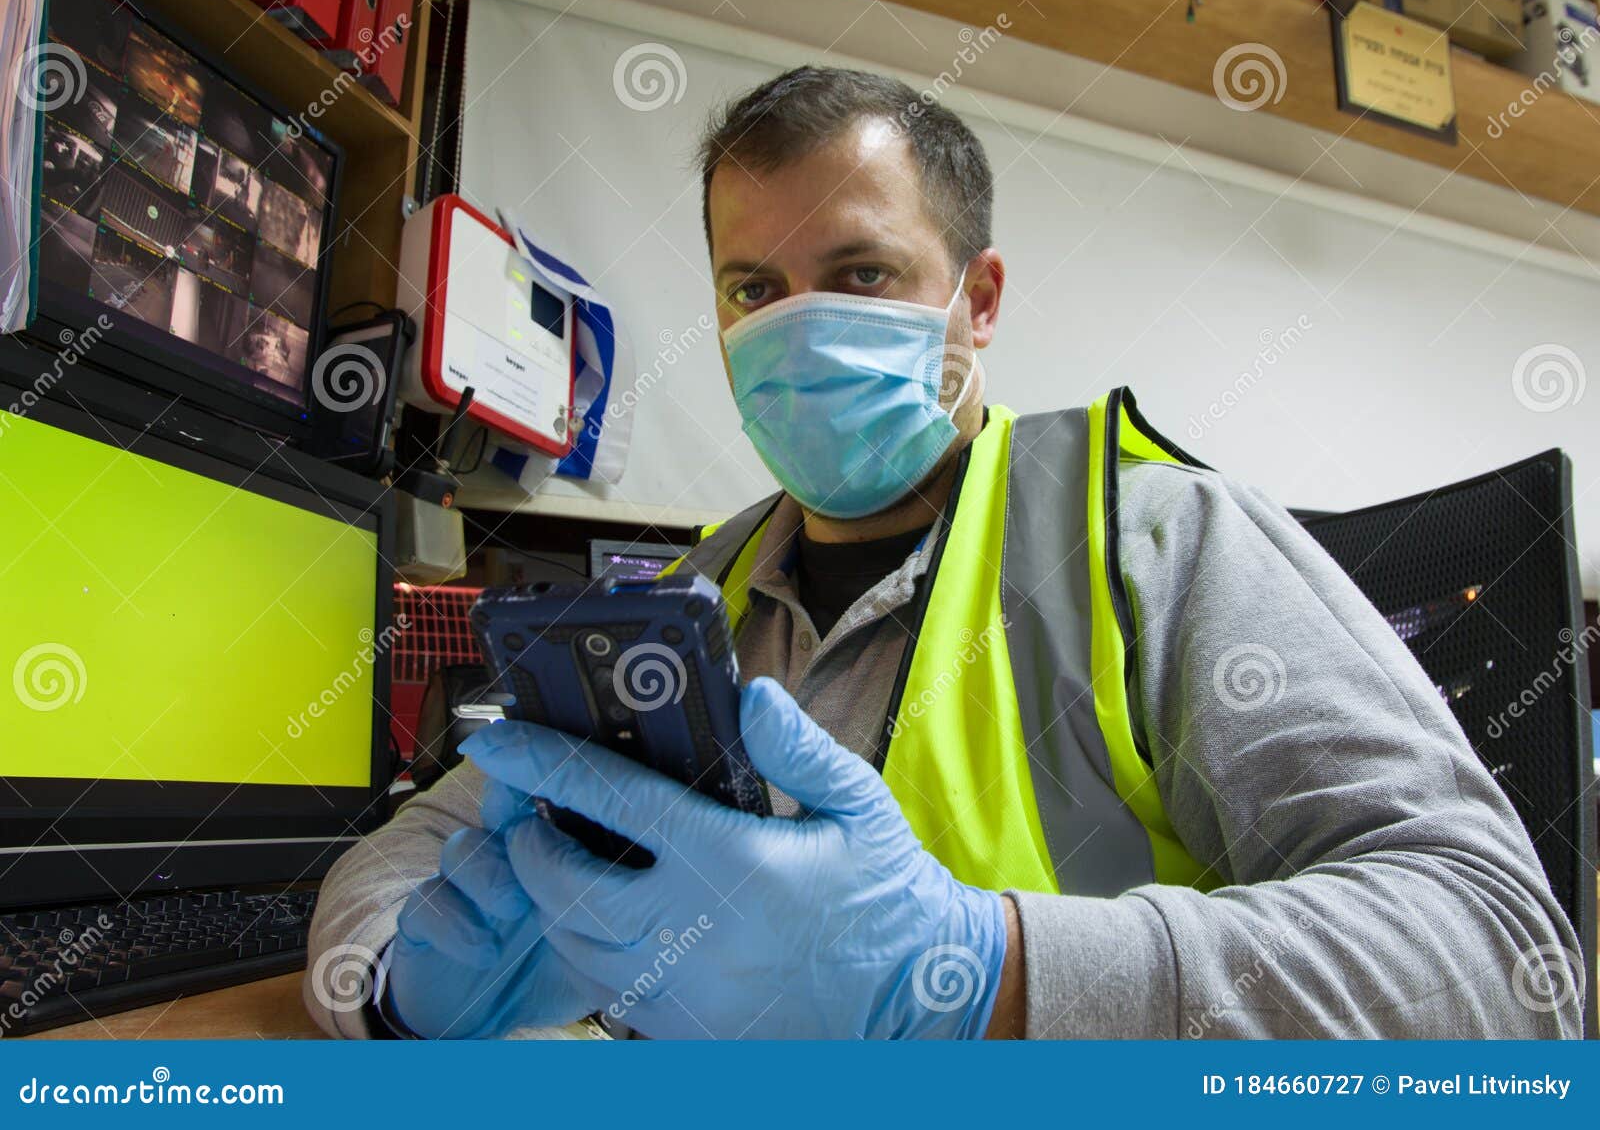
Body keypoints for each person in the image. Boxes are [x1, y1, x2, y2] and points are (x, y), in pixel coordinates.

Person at [306, 66, 1583, 1040]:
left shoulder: (1155, 538)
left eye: (860, 273)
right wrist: (398, 998)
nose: (795, 327)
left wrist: (983, 972)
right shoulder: (686, 599)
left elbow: (1504, 954)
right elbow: (414, 850)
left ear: (976, 302)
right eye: (754, 289)